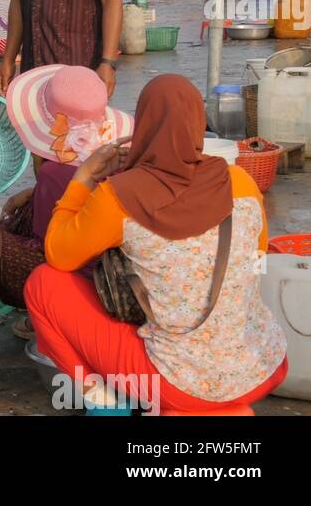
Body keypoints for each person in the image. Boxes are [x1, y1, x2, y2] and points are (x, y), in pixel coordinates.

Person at [25, 75, 288, 413]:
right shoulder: (239, 180)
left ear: (143, 125)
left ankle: (103, 398)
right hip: (262, 366)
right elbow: (259, 259)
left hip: (177, 382)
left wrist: (84, 179)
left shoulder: (119, 196)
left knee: (44, 283)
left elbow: (58, 254)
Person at [0, 65, 132, 371]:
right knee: (23, 213)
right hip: (114, 282)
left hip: (70, 283)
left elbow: (51, 247)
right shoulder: (122, 157)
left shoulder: (54, 173)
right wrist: (34, 195)